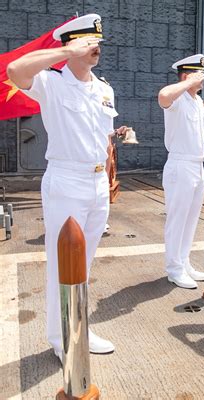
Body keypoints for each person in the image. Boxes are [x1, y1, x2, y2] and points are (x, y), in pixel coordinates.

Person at [7, 14, 128, 360]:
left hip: (96, 181)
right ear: (71, 45)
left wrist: (110, 174)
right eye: (88, 44)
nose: (96, 50)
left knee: (84, 264)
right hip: (66, 180)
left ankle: (79, 327)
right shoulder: (51, 82)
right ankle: (61, 339)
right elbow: (16, 71)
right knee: (61, 264)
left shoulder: (105, 89)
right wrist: (62, 53)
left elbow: (105, 139)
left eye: (97, 44)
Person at [158, 54, 204, 289]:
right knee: (177, 219)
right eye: (199, 75)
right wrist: (188, 83)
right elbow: (163, 96)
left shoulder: (197, 101)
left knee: (190, 219)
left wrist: (191, 87)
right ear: (187, 76)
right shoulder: (177, 98)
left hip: (197, 165)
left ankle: (184, 262)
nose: (203, 80)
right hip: (180, 165)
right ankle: (174, 268)